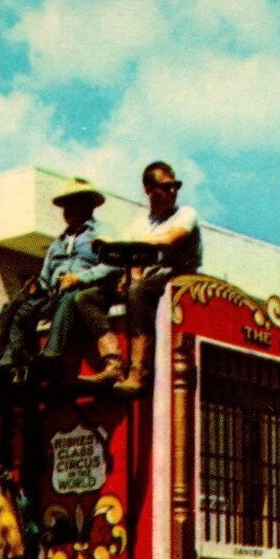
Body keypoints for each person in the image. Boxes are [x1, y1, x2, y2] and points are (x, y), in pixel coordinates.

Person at [0, 178, 121, 389]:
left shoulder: (104, 232)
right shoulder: (57, 243)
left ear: (88, 205)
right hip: (56, 295)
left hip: (89, 292)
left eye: (73, 203)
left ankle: (51, 356)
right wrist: (37, 287)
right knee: (13, 310)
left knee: (71, 297)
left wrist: (80, 278)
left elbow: (115, 265)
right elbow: (46, 277)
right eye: (65, 206)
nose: (67, 210)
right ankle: (11, 359)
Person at [112, 162, 201, 396]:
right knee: (102, 293)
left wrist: (132, 247)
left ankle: (139, 369)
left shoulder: (186, 214)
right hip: (153, 280)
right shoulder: (140, 224)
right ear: (148, 190)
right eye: (166, 187)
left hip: (182, 278)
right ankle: (111, 362)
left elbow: (172, 238)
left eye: (176, 186)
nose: (173, 191)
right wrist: (129, 278)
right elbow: (136, 266)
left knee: (139, 292)